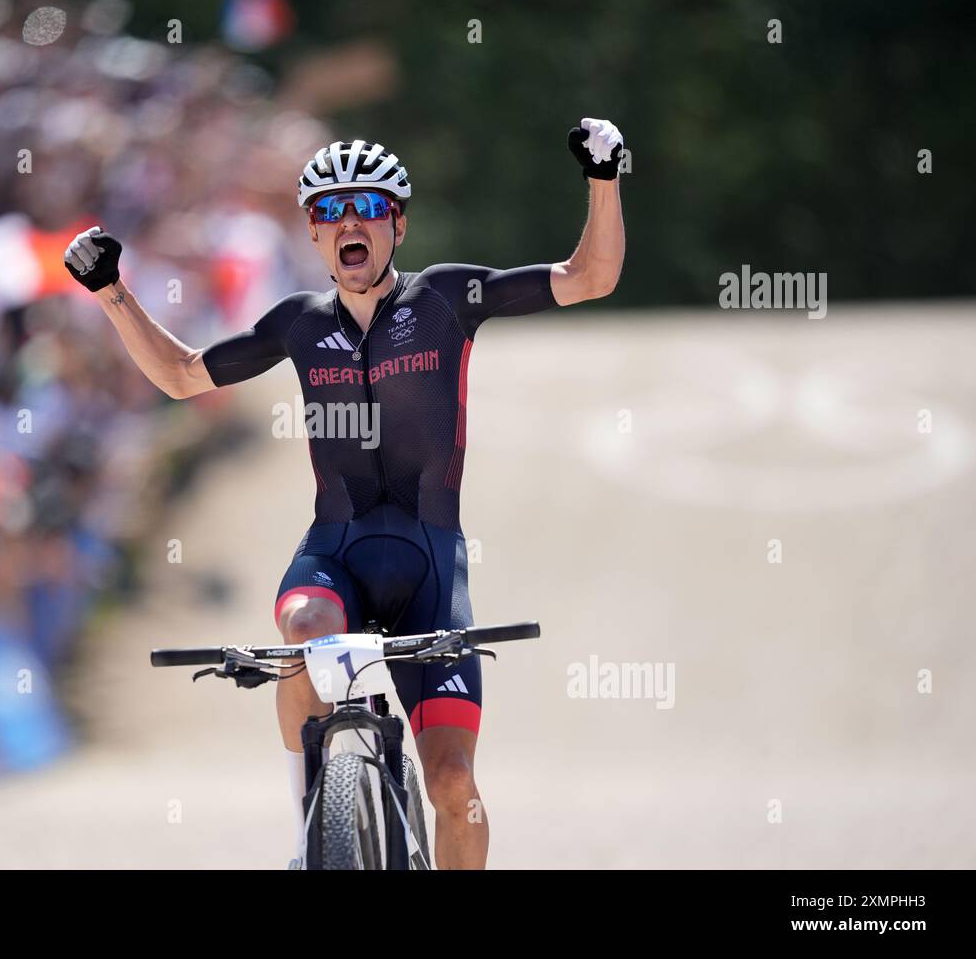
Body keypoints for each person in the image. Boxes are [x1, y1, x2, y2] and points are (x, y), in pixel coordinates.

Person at [65, 120, 626, 869]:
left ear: (398, 222)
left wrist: (604, 178)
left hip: (430, 566)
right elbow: (182, 376)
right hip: (336, 553)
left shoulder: (448, 298)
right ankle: (313, 822)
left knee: (455, 788)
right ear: (314, 234)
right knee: (305, 621)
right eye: (330, 212)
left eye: (367, 206)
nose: (349, 223)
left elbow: (590, 277)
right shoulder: (298, 324)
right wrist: (112, 294)